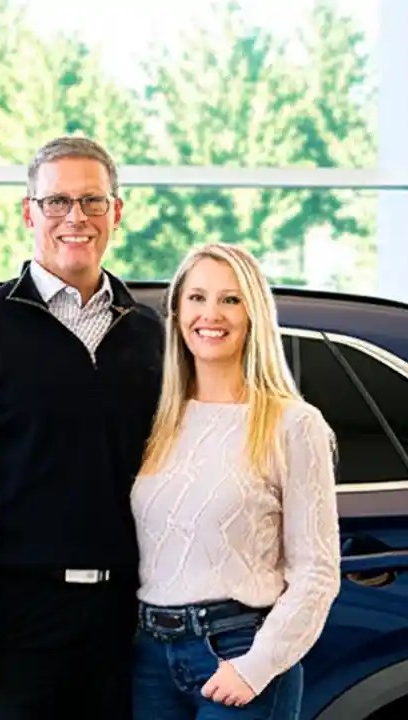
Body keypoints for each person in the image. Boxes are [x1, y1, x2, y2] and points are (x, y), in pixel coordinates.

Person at [0, 135, 165, 719]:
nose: (76, 217)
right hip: (14, 625)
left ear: (116, 213)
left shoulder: (151, 335)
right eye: (57, 202)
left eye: (93, 202)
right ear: (30, 213)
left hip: (132, 624)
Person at [129, 242, 341, 720]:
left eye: (231, 299)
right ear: (177, 310)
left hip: (238, 647)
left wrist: (256, 667)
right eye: (197, 298)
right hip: (149, 657)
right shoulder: (160, 421)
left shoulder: (293, 423)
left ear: (254, 314)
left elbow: (318, 573)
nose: (211, 314)